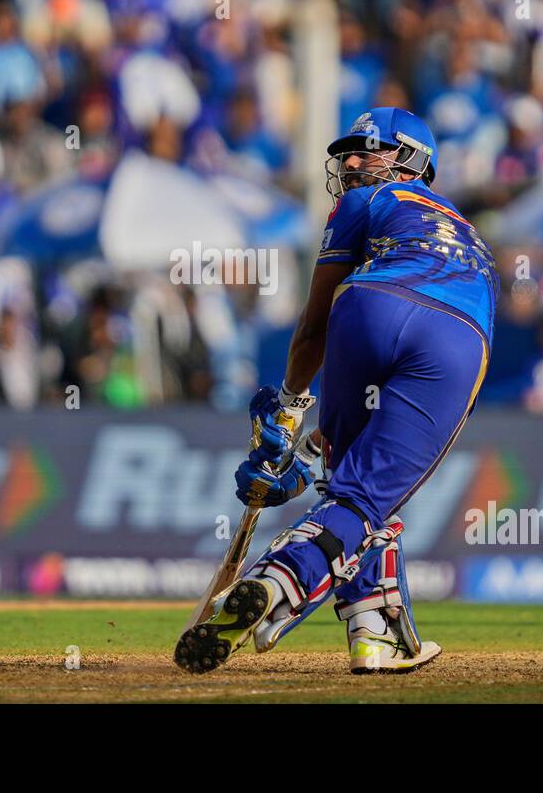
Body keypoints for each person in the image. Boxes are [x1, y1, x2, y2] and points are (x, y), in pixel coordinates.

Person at [175, 107, 497, 675]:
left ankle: (371, 633)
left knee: (350, 487)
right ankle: (279, 582)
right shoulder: (472, 234)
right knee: (363, 499)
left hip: (363, 308)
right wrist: (298, 441)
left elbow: (313, 327)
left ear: (413, 160)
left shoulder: (360, 203)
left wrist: (287, 413)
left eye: (368, 150)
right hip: (455, 333)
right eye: (348, 151)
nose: (350, 161)